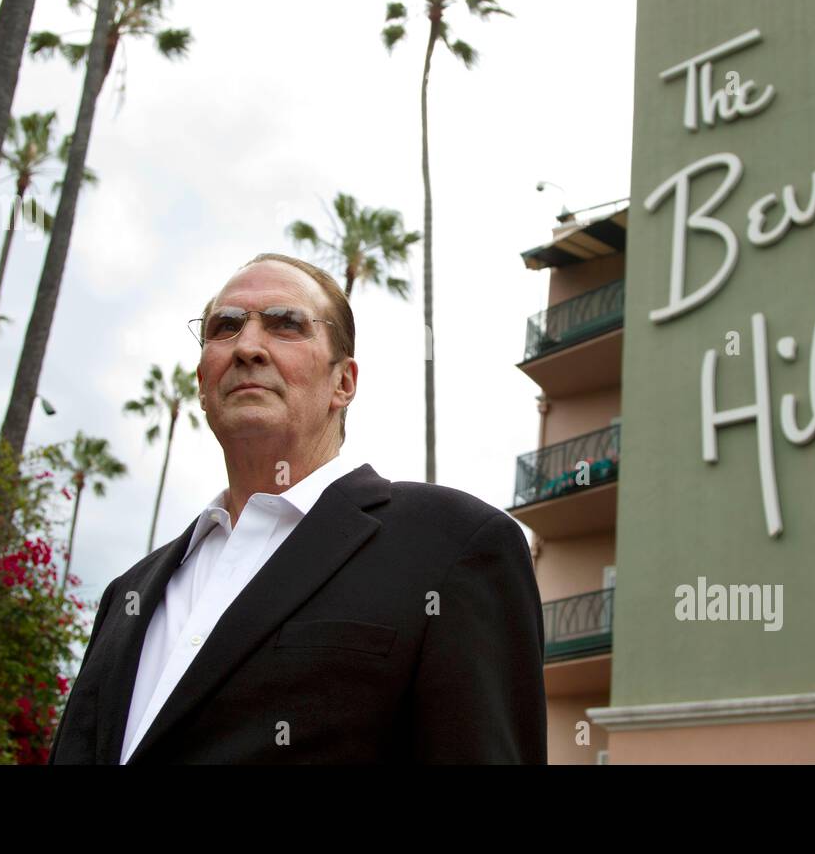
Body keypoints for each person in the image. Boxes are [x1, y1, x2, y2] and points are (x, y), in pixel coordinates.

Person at [49, 252, 548, 763]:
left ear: (344, 383)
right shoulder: (127, 594)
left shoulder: (454, 545)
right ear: (201, 384)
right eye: (226, 327)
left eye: (286, 324)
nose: (247, 347)